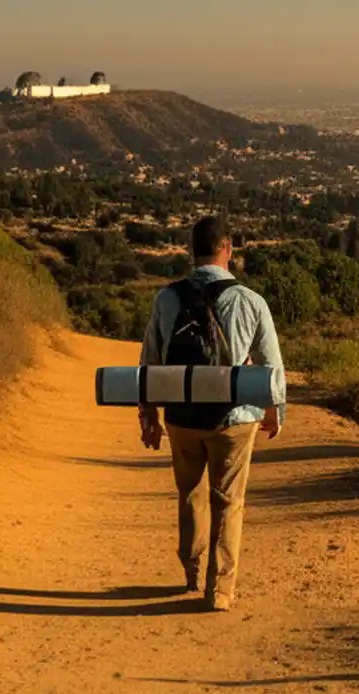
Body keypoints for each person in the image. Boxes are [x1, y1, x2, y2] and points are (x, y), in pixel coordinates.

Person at [138, 216, 286, 612]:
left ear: (191, 250)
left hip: (181, 417)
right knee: (229, 501)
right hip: (235, 419)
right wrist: (275, 410)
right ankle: (219, 590)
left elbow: (150, 360)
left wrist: (147, 415)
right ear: (228, 250)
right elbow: (272, 365)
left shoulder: (167, 299)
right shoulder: (252, 302)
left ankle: (191, 565)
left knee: (189, 492)